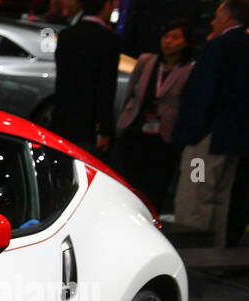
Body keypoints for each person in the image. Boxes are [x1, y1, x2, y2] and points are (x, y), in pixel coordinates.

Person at [172, 0, 249, 244]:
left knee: (195, 197)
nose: (213, 21)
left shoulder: (219, 46)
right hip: (234, 140)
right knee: (220, 200)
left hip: (205, 139)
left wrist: (190, 133)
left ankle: (193, 254)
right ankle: (215, 255)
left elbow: (203, 93)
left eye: (217, 16)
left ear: (227, 16)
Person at [114, 19, 194, 210]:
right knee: (128, 182)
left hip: (164, 137)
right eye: (166, 36)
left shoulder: (188, 70)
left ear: (185, 42)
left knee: (155, 188)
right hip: (136, 130)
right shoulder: (146, 61)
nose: (168, 41)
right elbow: (131, 91)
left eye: (175, 38)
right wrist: (123, 121)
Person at [52, 0, 119, 156]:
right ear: (106, 5)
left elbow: (61, 81)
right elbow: (106, 87)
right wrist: (104, 129)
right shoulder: (110, 41)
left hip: (63, 117)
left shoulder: (66, 35)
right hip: (89, 122)